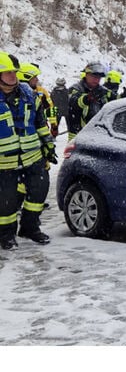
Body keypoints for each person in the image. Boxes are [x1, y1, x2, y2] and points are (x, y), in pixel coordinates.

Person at [0, 51, 55, 249]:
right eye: (7, 73)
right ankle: (5, 235)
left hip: (33, 157)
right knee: (6, 202)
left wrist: (48, 145)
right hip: (4, 163)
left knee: (38, 193)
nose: (13, 76)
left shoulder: (29, 94)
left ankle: (30, 228)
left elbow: (40, 123)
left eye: (14, 72)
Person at [66, 61, 113, 138]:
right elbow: (73, 103)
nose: (96, 80)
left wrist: (125, 95)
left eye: (99, 77)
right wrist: (87, 98)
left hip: (98, 134)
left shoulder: (102, 90)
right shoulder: (75, 88)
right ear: (86, 74)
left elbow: (115, 100)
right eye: (94, 76)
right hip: (78, 135)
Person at [17, 62, 57, 140]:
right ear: (26, 77)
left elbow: (51, 108)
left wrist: (54, 125)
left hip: (40, 130)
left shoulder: (41, 91)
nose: (37, 80)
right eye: (34, 77)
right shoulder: (10, 96)